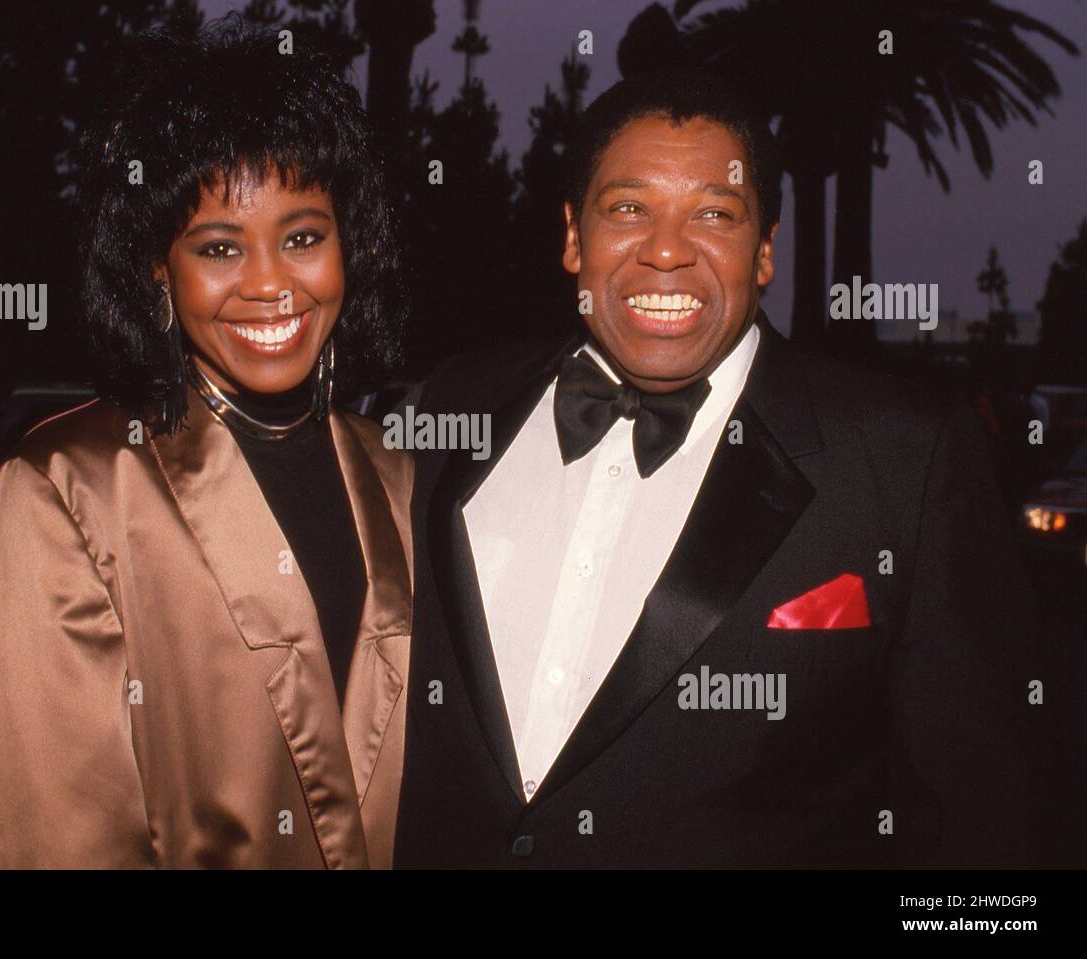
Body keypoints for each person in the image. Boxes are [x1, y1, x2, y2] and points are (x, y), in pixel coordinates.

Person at [393, 68, 1047, 867]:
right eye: (628, 209)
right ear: (572, 236)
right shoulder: (458, 403)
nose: (666, 250)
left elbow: (984, 819)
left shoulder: (903, 458)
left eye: (714, 213)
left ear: (765, 249)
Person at [0, 18, 413, 868]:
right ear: (157, 270)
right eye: (218, 247)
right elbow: (49, 841)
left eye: (304, 237)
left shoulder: (398, 475)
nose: (272, 283)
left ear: (351, 246)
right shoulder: (62, 493)